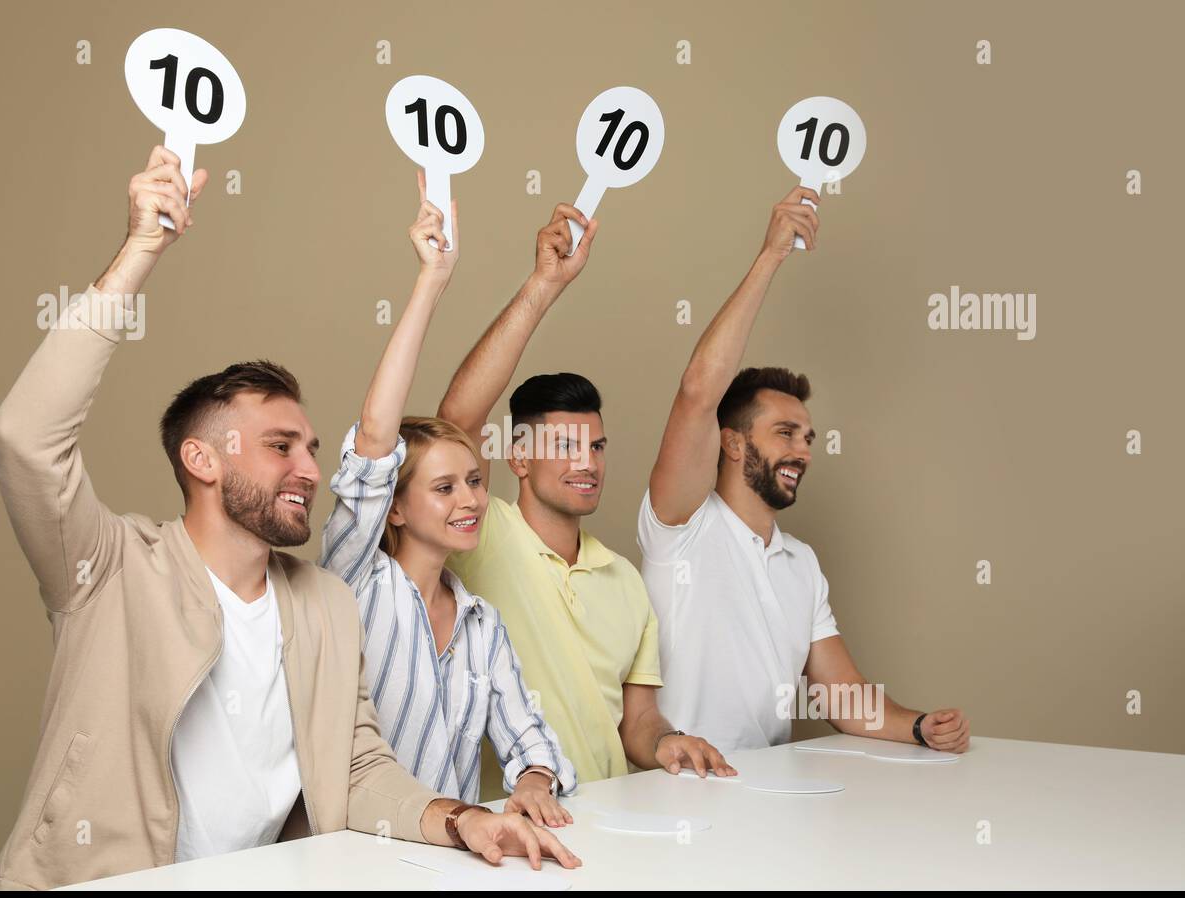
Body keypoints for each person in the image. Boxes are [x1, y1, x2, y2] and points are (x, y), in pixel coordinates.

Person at [0, 149, 578, 890]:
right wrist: (140, 250)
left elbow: (360, 768)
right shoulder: (108, 567)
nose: (308, 467)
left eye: (310, 447)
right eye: (278, 446)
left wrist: (462, 819)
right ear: (202, 459)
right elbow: (26, 442)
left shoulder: (325, 603)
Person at [638, 185, 971, 754]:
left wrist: (919, 726)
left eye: (809, 437)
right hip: (674, 795)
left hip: (763, 796)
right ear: (734, 443)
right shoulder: (680, 527)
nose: (804, 451)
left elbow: (842, 696)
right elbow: (698, 391)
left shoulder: (801, 564)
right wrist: (771, 256)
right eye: (785, 433)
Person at [437, 204, 735, 796]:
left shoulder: (625, 581)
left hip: (612, 833)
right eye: (566, 445)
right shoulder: (480, 536)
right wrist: (544, 285)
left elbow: (638, 724)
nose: (588, 462)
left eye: (597, 446)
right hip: (511, 839)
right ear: (517, 457)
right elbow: (456, 419)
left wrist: (667, 741)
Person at [320, 175, 577, 828]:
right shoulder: (352, 583)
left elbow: (529, 738)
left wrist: (537, 780)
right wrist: (432, 280)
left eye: (473, 480)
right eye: (443, 486)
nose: (469, 499)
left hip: (449, 856)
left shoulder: (481, 625)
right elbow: (375, 442)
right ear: (394, 509)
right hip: (350, 860)